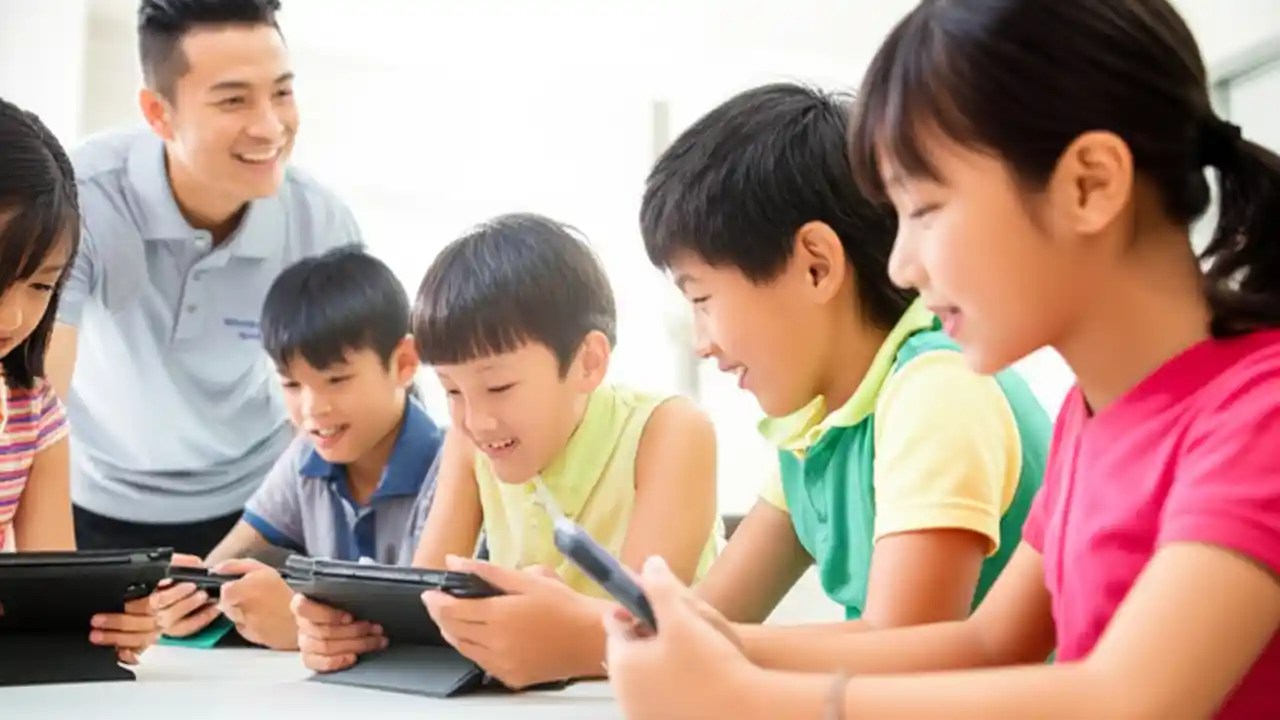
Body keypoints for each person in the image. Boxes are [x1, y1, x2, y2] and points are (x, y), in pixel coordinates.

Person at [604, 1, 1280, 718]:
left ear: (1089, 184)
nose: (901, 264)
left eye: (924, 210)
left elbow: (1123, 698)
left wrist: (751, 699)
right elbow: (989, 642)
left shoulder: (1258, 411)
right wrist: (727, 645)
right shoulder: (1091, 417)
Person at [639, 82, 1049, 669]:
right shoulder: (818, 422)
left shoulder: (938, 388)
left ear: (816, 266)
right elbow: (717, 611)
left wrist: (707, 646)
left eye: (702, 298)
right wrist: (606, 625)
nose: (702, 343)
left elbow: (905, 651)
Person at [291, 213, 721, 688]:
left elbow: (644, 624)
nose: (476, 420)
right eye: (452, 391)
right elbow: (424, 600)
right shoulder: (468, 441)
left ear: (588, 363)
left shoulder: (670, 430)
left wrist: (555, 625)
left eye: (499, 386)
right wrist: (351, 632)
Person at [48, 0, 363, 556]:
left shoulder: (321, 224)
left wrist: (224, 565)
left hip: (258, 510)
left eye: (282, 92)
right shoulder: (81, 200)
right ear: (157, 113)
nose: (270, 127)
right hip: (89, 505)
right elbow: (35, 396)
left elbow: (360, 409)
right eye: (234, 100)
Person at [151, 246, 443, 650]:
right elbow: (220, 566)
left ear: (404, 363)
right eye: (291, 384)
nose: (312, 410)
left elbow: (433, 628)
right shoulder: (308, 454)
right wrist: (183, 601)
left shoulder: (448, 468)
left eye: (336, 380)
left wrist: (299, 623)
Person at [0, 96, 158, 664]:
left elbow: (51, 607)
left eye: (41, 287)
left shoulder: (30, 413)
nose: (13, 319)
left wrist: (103, 625)